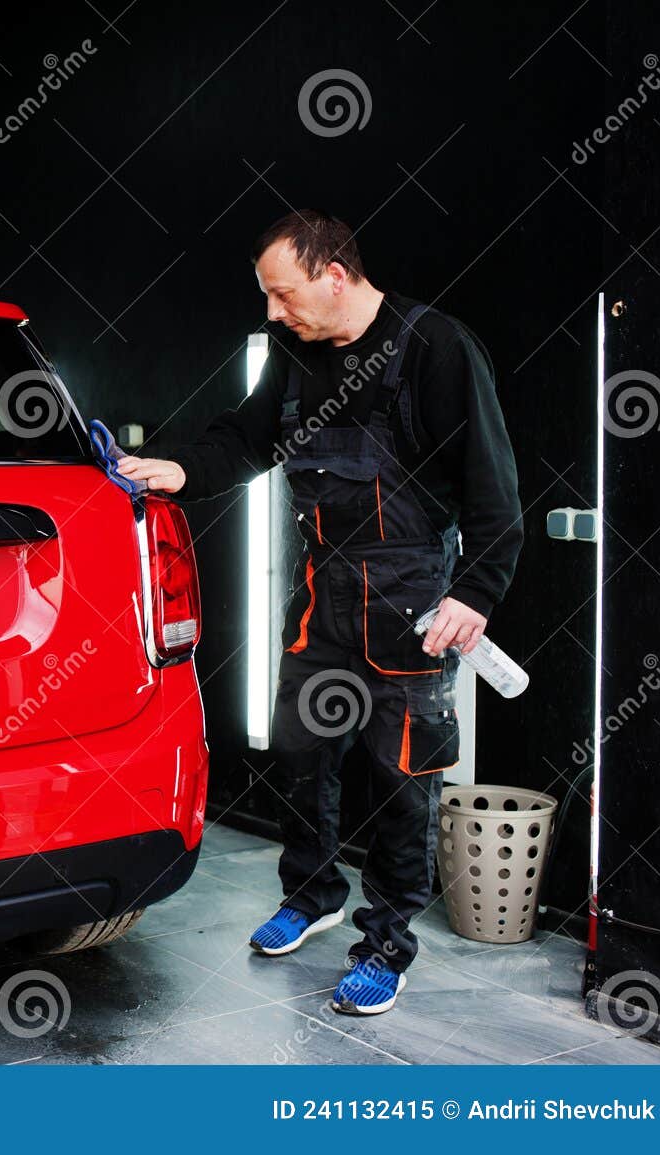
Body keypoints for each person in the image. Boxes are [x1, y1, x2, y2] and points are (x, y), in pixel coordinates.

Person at [115, 210, 523, 1014]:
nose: (272, 311)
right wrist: (174, 470)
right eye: (267, 297)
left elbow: (494, 491)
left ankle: (387, 943)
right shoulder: (296, 357)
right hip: (320, 596)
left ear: (335, 274)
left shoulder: (436, 349)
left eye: (283, 293)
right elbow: (242, 441)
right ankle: (311, 893)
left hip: (411, 603)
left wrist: (474, 594)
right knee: (302, 752)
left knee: (405, 781)